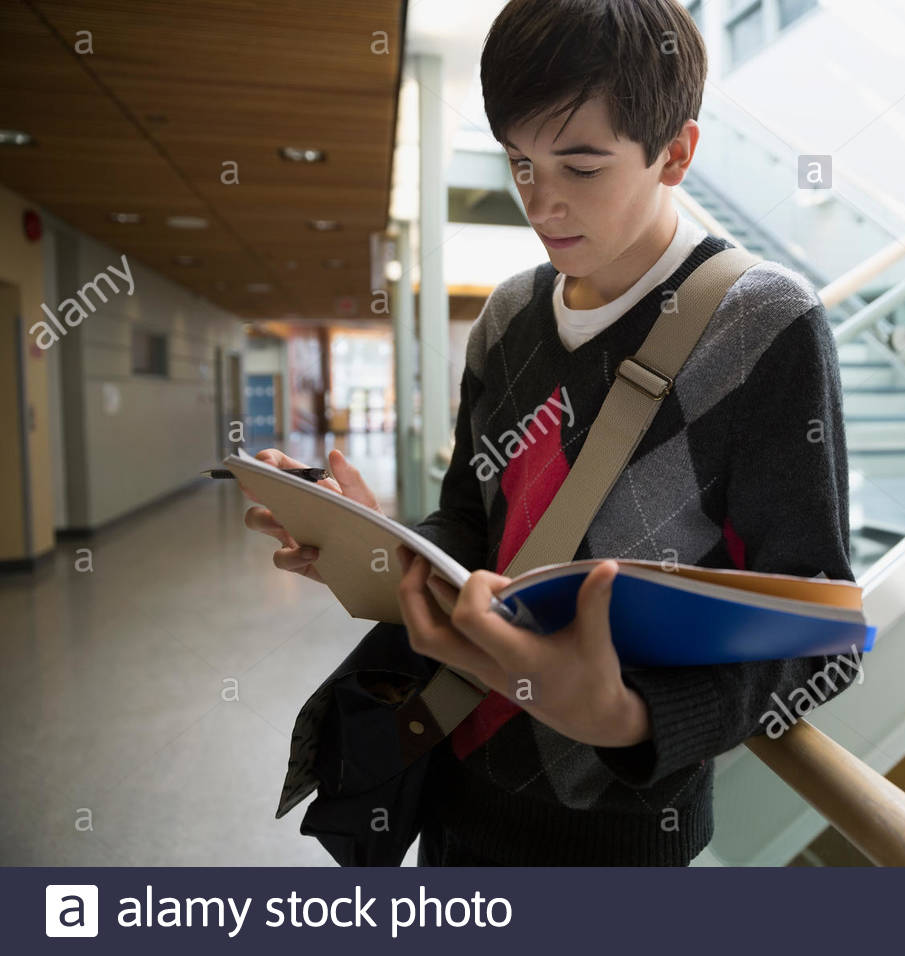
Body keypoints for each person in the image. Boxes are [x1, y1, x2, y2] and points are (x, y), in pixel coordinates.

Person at [241, 0, 860, 866]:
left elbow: (818, 625)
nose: (542, 200)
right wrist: (366, 539)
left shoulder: (762, 326)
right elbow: (470, 522)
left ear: (676, 152)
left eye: (580, 164)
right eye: (520, 163)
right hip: (454, 779)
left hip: (624, 831)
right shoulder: (508, 316)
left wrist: (627, 716)